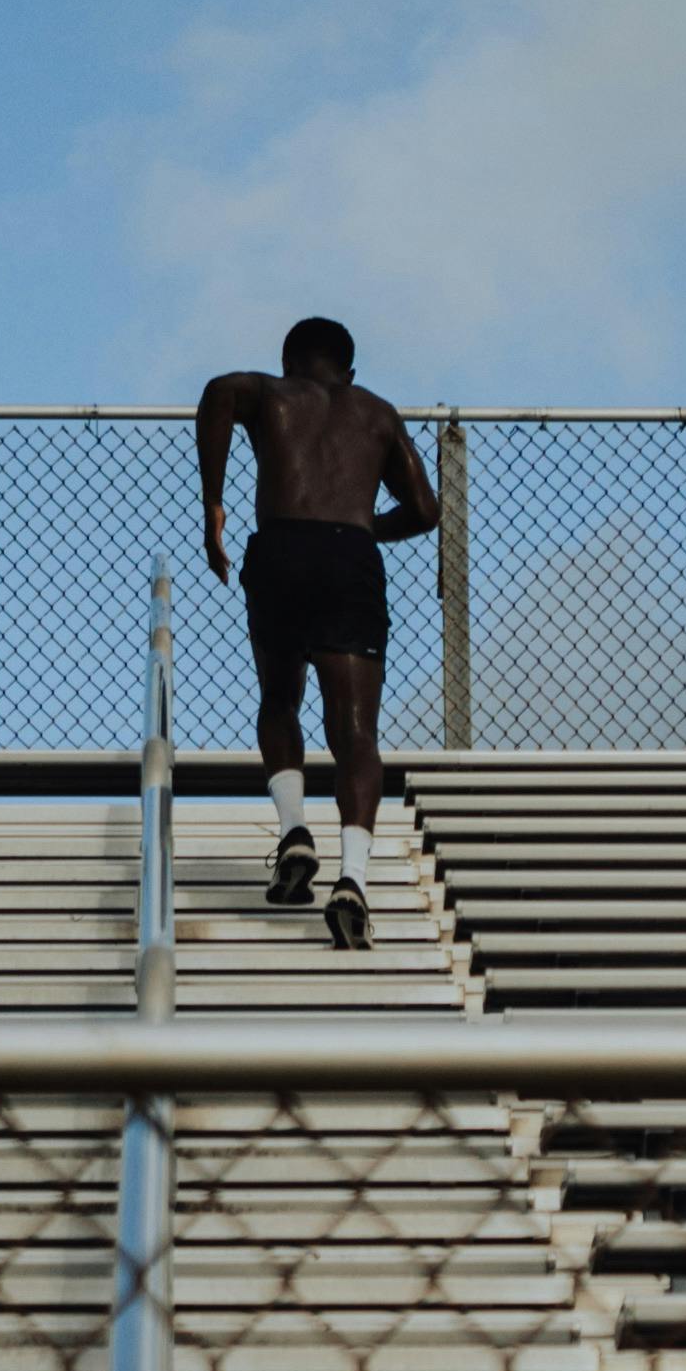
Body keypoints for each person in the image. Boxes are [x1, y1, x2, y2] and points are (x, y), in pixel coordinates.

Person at [196, 321, 437, 947]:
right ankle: (352, 877)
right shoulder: (377, 414)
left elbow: (219, 392)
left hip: (280, 548)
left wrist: (213, 504)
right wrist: (359, 527)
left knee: (280, 699)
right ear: (349, 372)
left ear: (287, 363)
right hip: (349, 557)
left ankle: (294, 831)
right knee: (355, 730)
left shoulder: (271, 395)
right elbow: (426, 511)